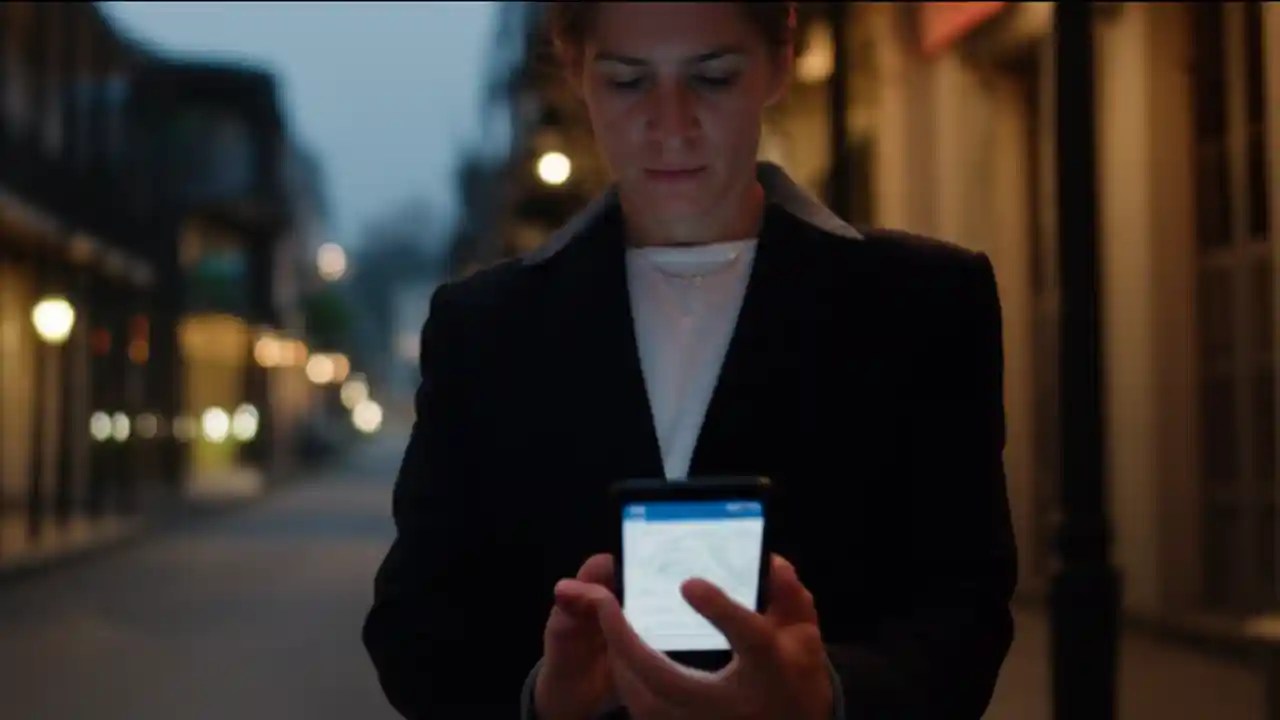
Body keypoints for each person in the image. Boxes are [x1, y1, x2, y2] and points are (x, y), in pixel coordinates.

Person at [362, 2, 1017, 718]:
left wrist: (825, 694)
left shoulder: (920, 304)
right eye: (627, 81)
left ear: (780, 58)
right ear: (575, 66)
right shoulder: (485, 328)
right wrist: (543, 698)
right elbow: (413, 623)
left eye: (712, 77)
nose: (670, 123)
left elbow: (965, 608)